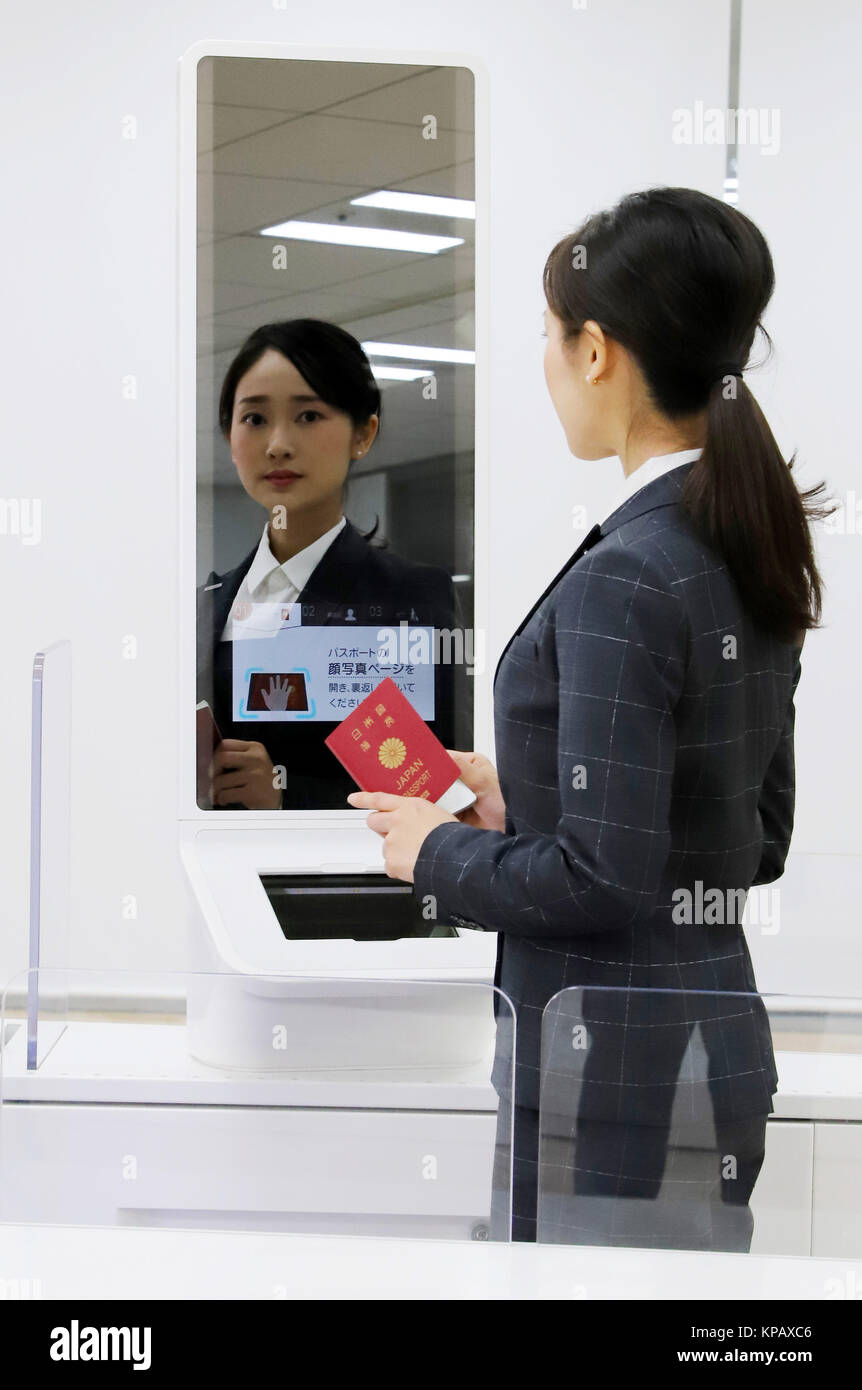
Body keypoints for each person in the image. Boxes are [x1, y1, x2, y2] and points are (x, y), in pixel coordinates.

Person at [348, 186, 833, 1246]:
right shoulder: (745, 537)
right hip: (709, 1052)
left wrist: (433, 851)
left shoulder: (631, 571)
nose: (548, 359)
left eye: (550, 334)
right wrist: (520, 794)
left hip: (605, 1080)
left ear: (598, 350)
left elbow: (603, 876)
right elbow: (749, 840)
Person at [196, 319, 461, 810]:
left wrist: (286, 793)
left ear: (364, 434)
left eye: (308, 416)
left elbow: (423, 798)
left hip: (330, 883)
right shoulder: (202, 609)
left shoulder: (402, 598)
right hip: (200, 875)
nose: (277, 443)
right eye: (254, 419)